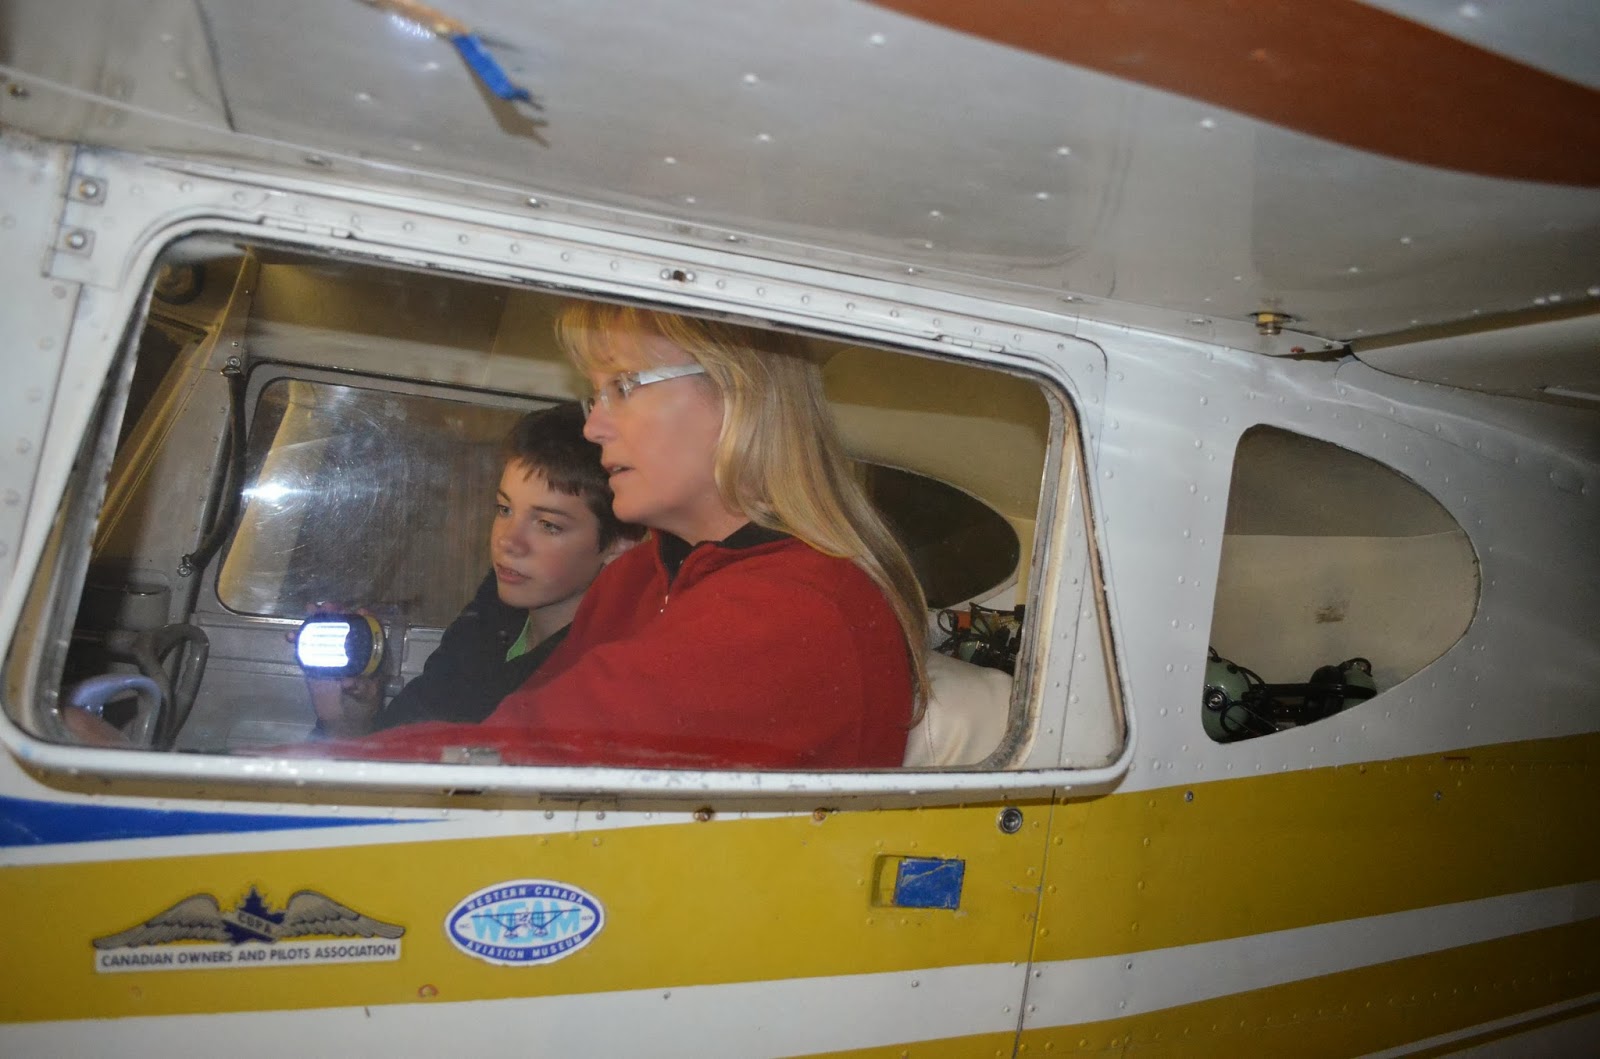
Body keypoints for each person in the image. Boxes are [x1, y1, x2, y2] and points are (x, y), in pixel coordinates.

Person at [337, 303, 928, 769]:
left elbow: (518, 762)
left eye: (623, 386)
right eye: (595, 396)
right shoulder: (637, 579)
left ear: (737, 395)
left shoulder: (793, 612)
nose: (594, 426)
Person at [306, 402, 641, 738]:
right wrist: (349, 721)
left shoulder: (597, 679)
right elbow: (407, 743)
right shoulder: (492, 615)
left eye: (548, 525)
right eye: (505, 509)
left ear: (620, 543)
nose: (508, 541)